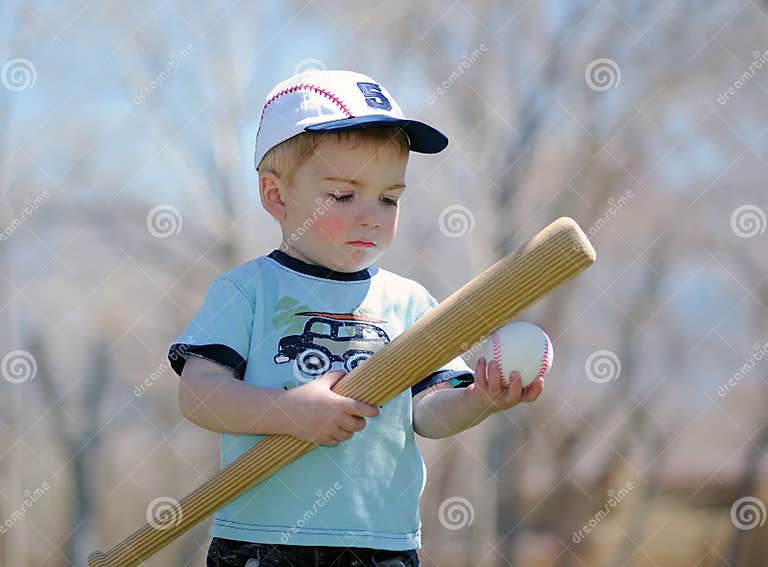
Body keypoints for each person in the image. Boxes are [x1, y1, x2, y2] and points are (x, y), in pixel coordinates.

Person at [168, 69, 544, 567]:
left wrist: (478, 400)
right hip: (264, 543)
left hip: (381, 544)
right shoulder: (246, 291)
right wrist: (289, 412)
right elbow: (199, 394)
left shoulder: (410, 302)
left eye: (389, 198)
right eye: (344, 195)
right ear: (277, 195)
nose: (372, 215)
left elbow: (426, 412)